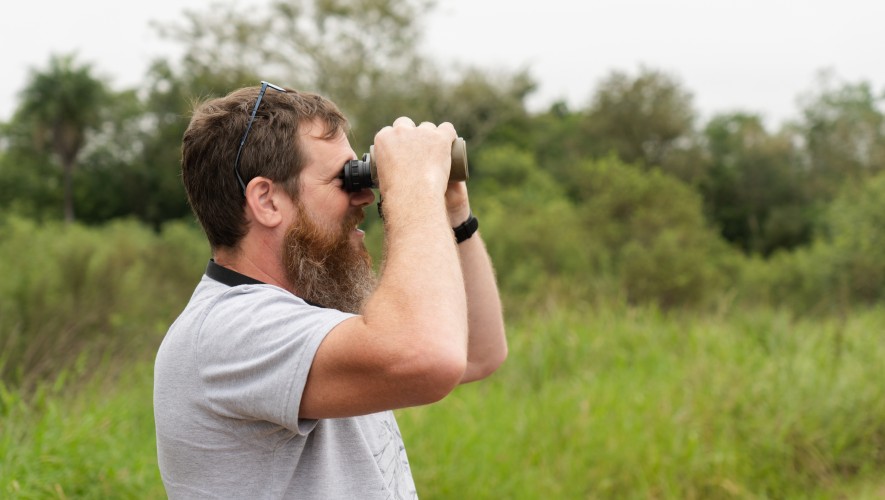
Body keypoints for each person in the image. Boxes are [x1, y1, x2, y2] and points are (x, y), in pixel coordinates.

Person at [153, 81, 507, 499]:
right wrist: (412, 187)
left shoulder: (304, 315)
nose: (363, 194)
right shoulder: (229, 331)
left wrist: (452, 212)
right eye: (343, 178)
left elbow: (477, 353)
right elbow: (429, 357)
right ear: (267, 201)